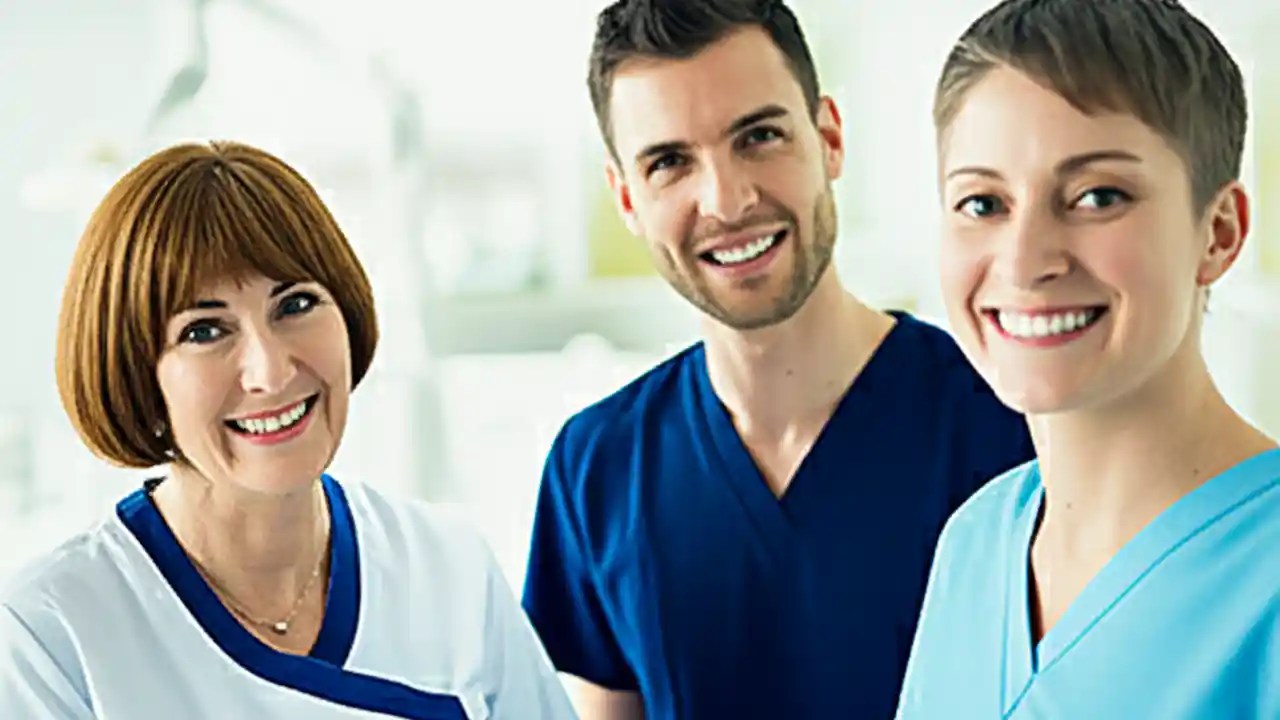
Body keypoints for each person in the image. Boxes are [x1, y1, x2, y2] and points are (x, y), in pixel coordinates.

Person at [519, 1, 1035, 717]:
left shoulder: (1008, 429)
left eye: (759, 136)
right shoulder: (596, 468)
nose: (727, 201)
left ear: (828, 138)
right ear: (627, 197)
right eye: (669, 162)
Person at [0, 141, 577, 719]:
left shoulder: (448, 568)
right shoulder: (52, 634)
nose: (271, 372)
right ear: (135, 373)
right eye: (204, 332)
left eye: (295, 304)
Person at [895, 1, 1280, 718]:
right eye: (982, 204)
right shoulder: (974, 543)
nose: (1025, 260)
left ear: (1219, 233)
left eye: (1098, 197)